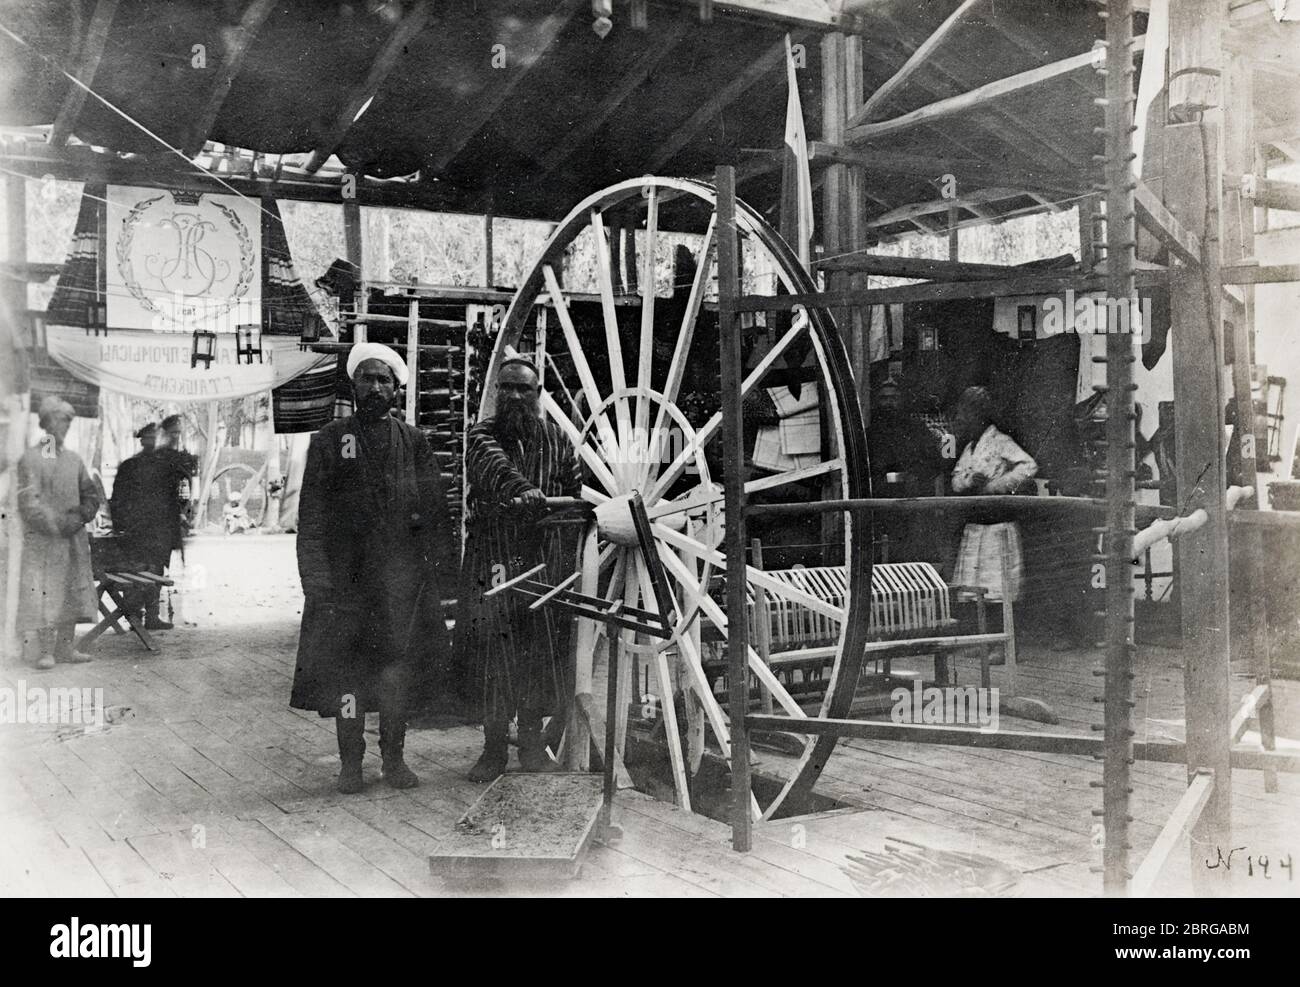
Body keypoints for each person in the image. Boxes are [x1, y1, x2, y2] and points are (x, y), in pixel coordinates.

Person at [290, 343, 453, 794]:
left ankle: (394, 760)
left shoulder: (413, 442)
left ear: (396, 388)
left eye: (384, 380)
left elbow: (435, 512)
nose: (376, 387)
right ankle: (350, 763)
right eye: (368, 378)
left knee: (394, 674)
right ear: (354, 384)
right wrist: (316, 580)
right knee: (348, 678)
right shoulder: (330, 441)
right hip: (346, 585)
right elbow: (313, 517)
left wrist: (437, 574)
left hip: (400, 586)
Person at [460, 357, 581, 782]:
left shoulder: (558, 440)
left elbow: (573, 491)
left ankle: (531, 744)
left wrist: (564, 531)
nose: (513, 396)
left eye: (522, 389)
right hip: (494, 554)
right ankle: (493, 749)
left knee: (538, 650)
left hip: (540, 558)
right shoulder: (481, 435)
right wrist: (528, 493)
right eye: (506, 388)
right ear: (496, 393)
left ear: (537, 396)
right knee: (494, 650)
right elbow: (495, 469)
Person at [17, 397, 100, 669]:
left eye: (66, 421)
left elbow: (91, 496)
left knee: (72, 591)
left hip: (73, 539)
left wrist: (80, 516)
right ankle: (46, 652)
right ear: (44, 423)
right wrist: (54, 525)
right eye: (57, 420)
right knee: (46, 593)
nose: (62, 426)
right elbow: (29, 502)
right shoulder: (30, 459)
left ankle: (67, 648)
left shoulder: (74, 460)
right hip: (45, 541)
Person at [950, 386, 1038, 607]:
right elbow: (956, 479)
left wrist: (996, 485)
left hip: (997, 523)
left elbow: (1029, 466)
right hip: (975, 523)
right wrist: (970, 481)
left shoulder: (1000, 441)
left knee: (998, 590)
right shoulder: (971, 447)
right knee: (973, 588)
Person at [110, 417, 192, 630]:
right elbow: (117, 499)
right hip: (137, 531)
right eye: (147, 438)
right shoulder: (130, 465)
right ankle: (134, 616)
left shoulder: (164, 464)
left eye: (153, 437)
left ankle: (152, 616)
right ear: (141, 441)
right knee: (137, 571)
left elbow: (175, 495)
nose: (151, 441)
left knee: (156, 571)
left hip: (158, 530)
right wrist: (122, 526)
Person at [867, 378, 945, 563]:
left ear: (901, 400)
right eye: (884, 399)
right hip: (881, 500)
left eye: (893, 398)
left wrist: (917, 476)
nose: (889, 403)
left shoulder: (917, 430)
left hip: (912, 499)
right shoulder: (870, 434)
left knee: (912, 551)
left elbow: (934, 462)